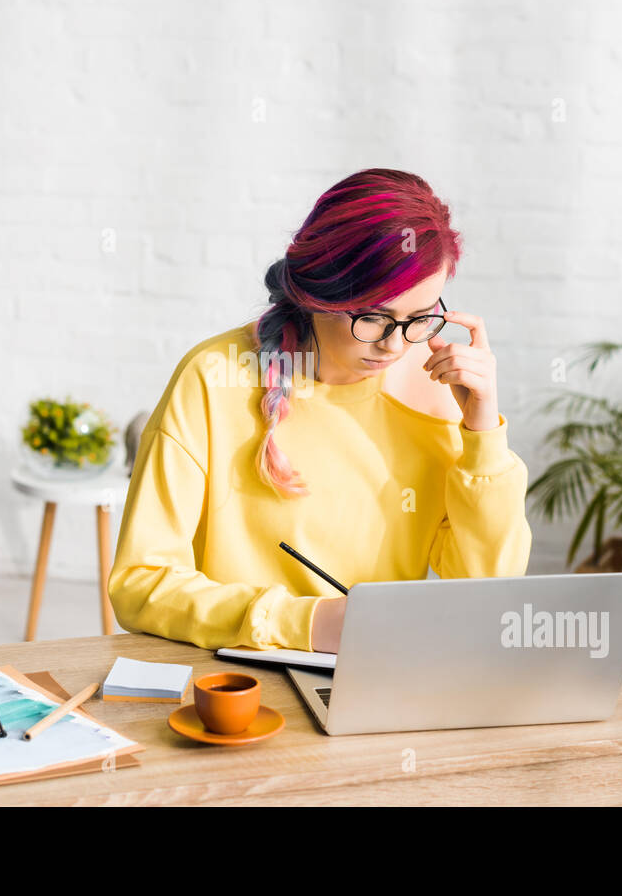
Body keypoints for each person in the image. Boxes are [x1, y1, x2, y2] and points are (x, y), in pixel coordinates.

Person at [107, 168, 533, 653]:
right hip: (236, 683)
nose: (396, 346)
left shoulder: (437, 388)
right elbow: (140, 584)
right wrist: (307, 623)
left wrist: (483, 433)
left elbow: (483, 584)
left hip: (378, 676)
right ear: (319, 293)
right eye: (374, 317)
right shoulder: (213, 378)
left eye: (419, 319)